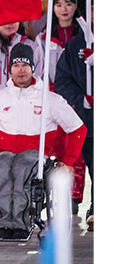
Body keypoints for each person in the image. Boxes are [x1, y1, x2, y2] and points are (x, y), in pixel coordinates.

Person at [0, 44, 86, 240]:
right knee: (3, 167)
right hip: (6, 153)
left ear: (33, 67)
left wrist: (67, 161)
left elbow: (77, 128)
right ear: (10, 69)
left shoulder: (50, 99)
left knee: (21, 167)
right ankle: (5, 223)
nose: (21, 69)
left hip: (36, 154)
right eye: (16, 65)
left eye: (25, 64)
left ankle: (21, 222)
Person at [55, 16, 94, 229]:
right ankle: (71, 200)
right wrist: (80, 99)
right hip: (82, 119)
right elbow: (62, 79)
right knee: (75, 161)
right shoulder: (75, 45)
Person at [37, 0, 84, 88]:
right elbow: (40, 68)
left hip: (78, 92)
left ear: (75, 6)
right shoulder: (44, 37)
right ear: (53, 8)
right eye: (59, 5)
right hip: (52, 93)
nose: (64, 9)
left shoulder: (85, 36)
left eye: (68, 4)